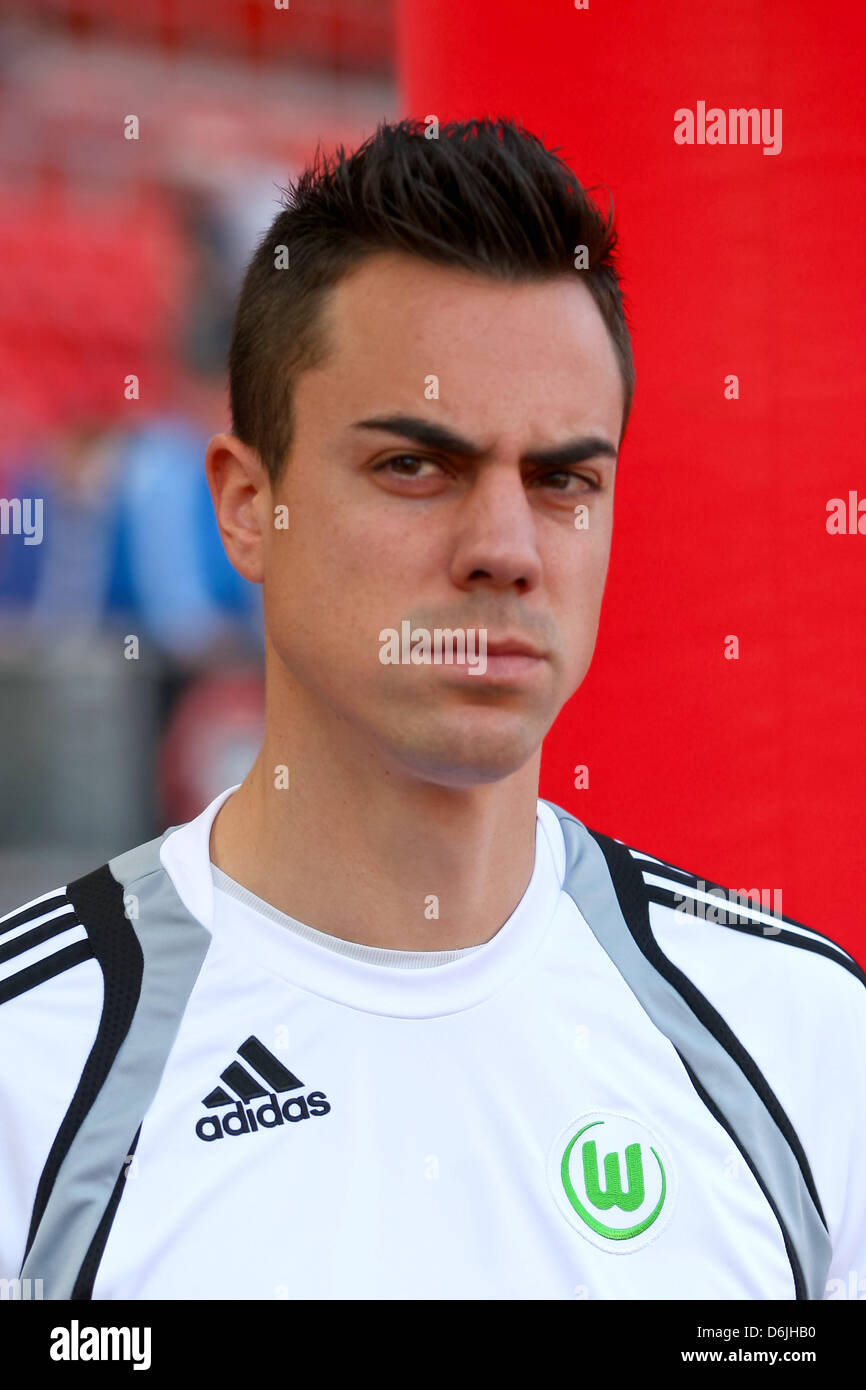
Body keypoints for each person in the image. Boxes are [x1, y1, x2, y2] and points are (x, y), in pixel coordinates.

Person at [1, 117, 863, 1302]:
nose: (504, 550)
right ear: (248, 507)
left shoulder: (806, 1042)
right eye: (416, 466)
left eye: (562, 479)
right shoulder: (28, 1069)